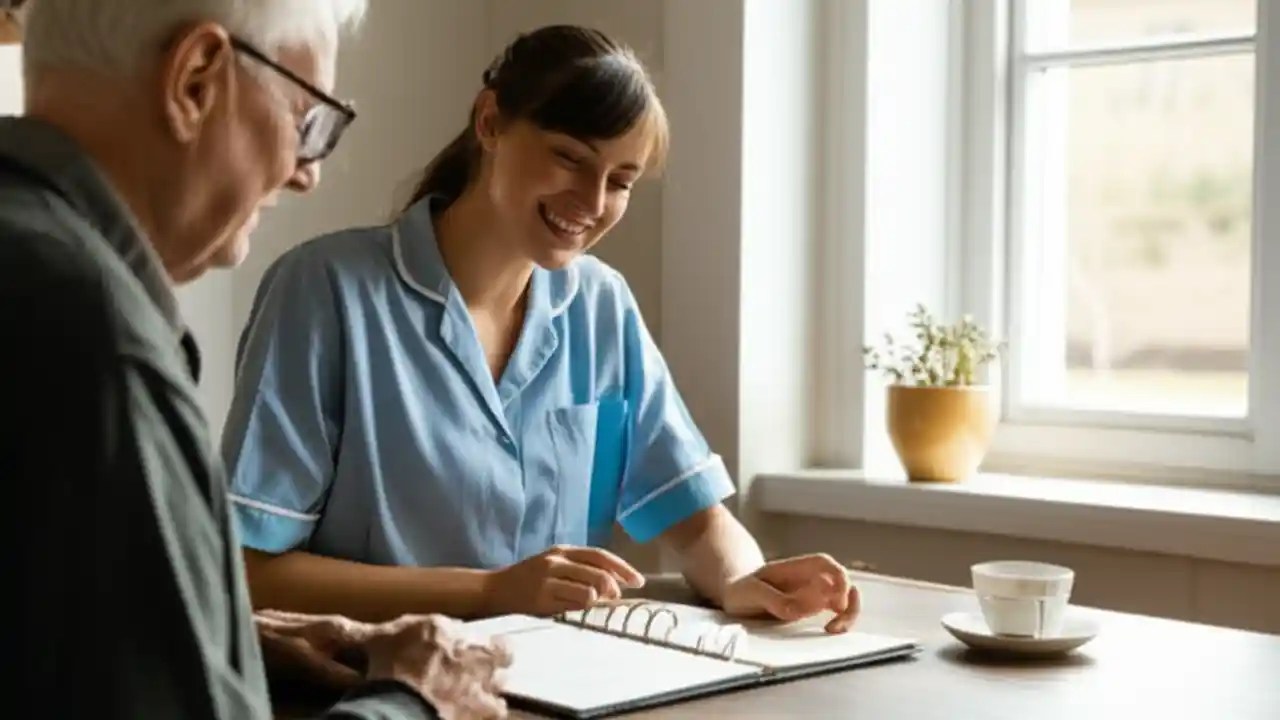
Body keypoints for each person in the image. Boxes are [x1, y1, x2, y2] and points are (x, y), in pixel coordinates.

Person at [223, 24, 861, 631]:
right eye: (570, 159)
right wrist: (489, 592)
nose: (592, 201)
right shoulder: (324, 291)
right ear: (491, 121)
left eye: (620, 181)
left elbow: (695, 520)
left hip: (560, 687)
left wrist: (747, 581)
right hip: (375, 691)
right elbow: (248, 573)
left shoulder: (602, 306)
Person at [0, 1, 507, 718]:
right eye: (308, 121)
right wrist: (415, 703)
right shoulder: (97, 345)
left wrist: (228, 636)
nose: (308, 174)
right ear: (196, 80)